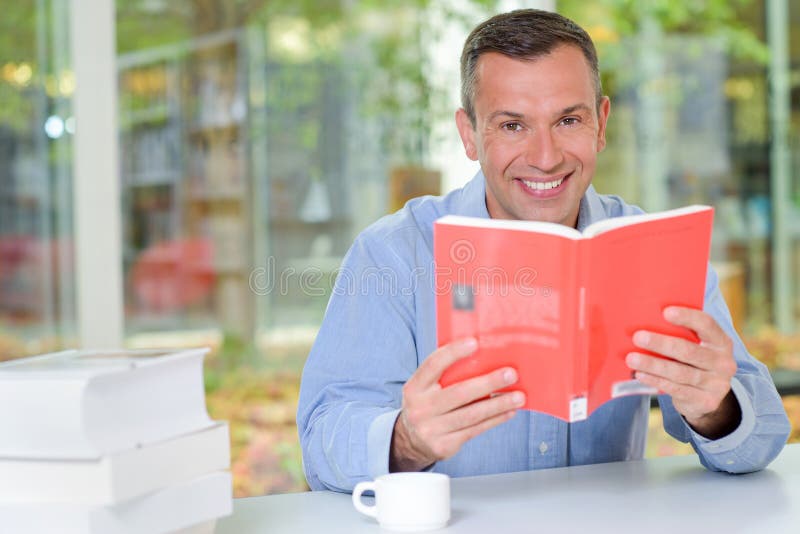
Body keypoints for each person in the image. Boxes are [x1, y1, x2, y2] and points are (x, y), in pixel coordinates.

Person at [297, 9, 790, 492]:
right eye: (513, 125)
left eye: (568, 120)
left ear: (601, 124)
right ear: (469, 135)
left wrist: (716, 407)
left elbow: (763, 439)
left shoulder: (654, 249)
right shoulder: (395, 254)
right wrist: (407, 439)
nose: (546, 157)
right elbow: (322, 444)